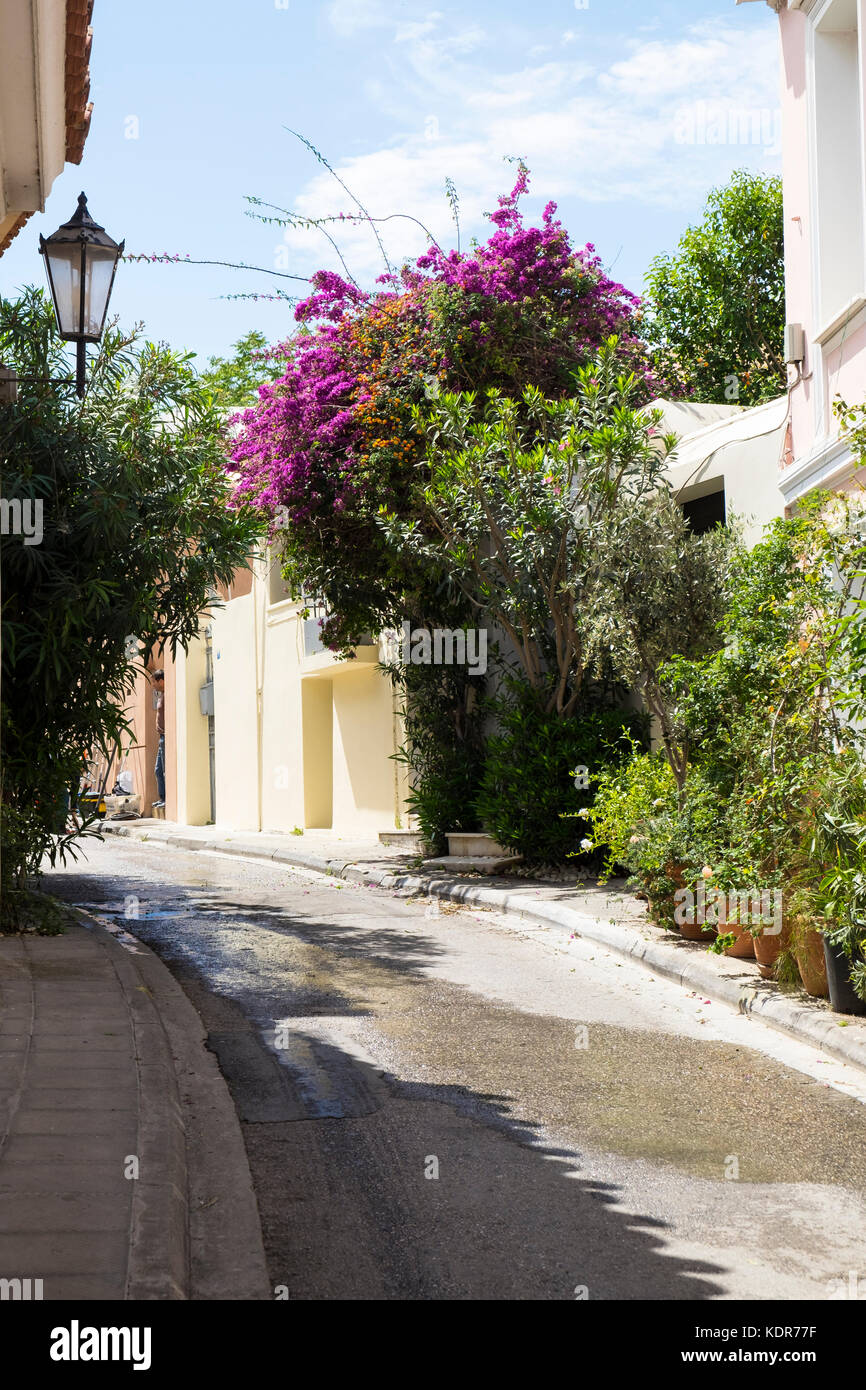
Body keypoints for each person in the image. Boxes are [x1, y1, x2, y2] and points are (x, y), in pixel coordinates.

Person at [151, 669, 166, 810]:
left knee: (164, 769)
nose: (153, 685)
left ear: (160, 680)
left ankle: (166, 799)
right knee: (158, 770)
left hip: (166, 737)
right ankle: (162, 798)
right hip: (161, 737)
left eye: (154, 682)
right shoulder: (161, 695)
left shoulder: (168, 694)